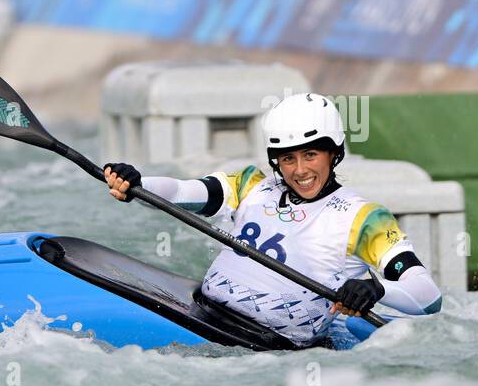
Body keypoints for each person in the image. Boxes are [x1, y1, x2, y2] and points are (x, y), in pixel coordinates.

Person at [103, 92, 443, 347]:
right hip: (203, 316)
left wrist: (375, 288)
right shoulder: (250, 185)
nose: (299, 170)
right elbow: (180, 193)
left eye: (311, 155)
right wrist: (137, 183)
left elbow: (428, 296)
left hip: (272, 350)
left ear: (334, 153)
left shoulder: (365, 219)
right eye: (288, 158)